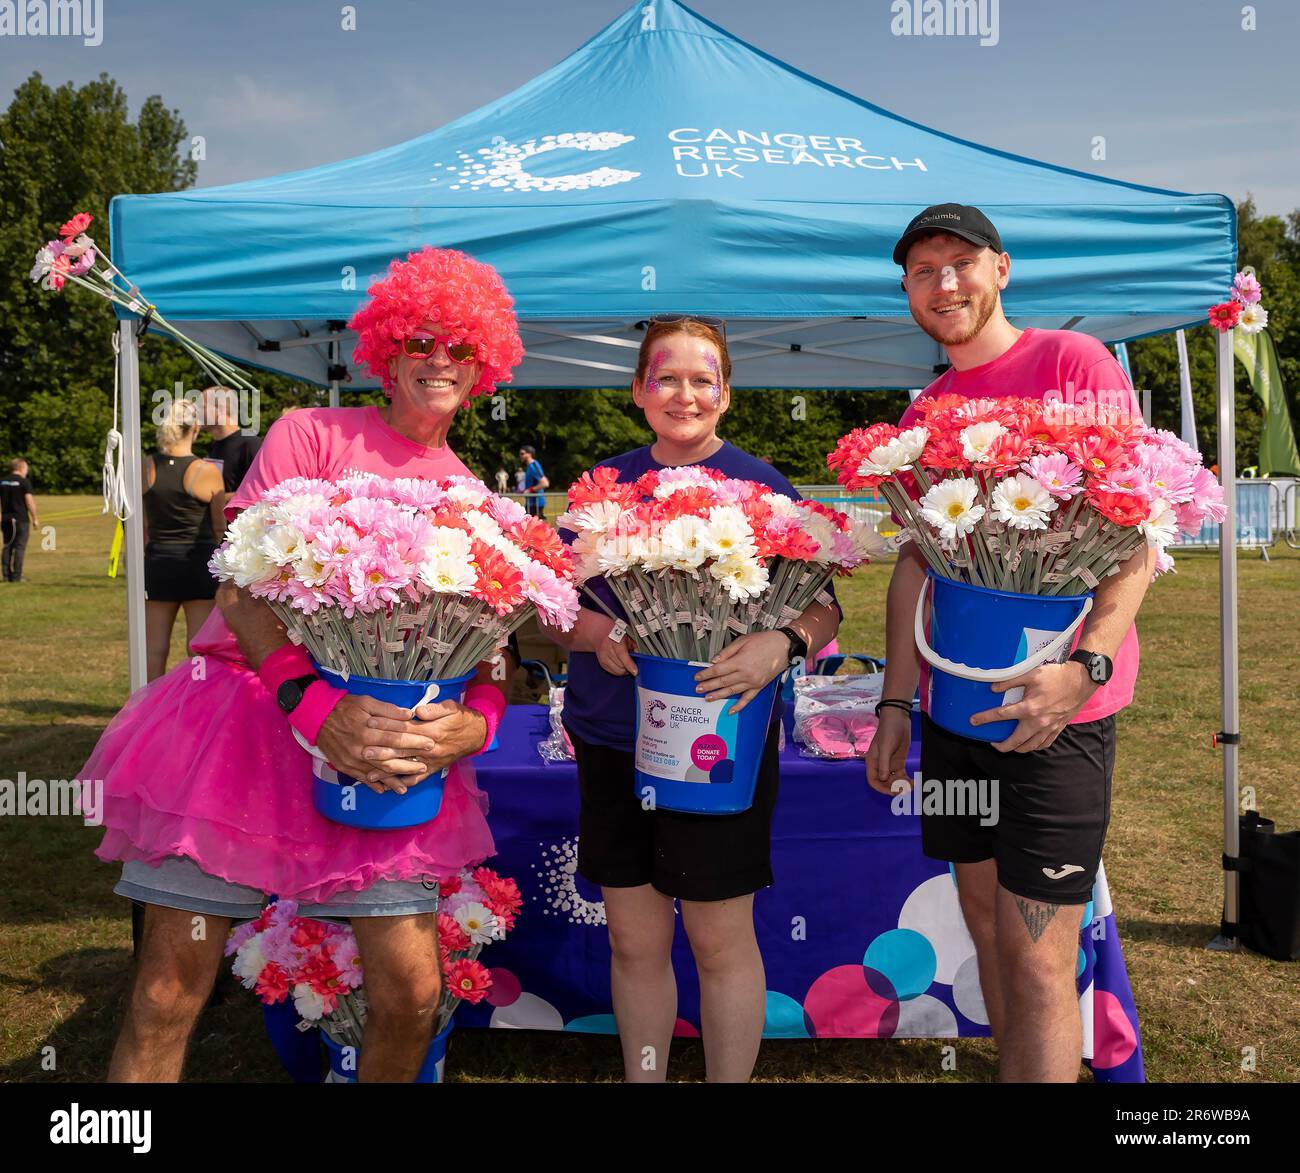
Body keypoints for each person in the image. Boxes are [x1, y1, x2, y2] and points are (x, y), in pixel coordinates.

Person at [80, 247, 523, 1082]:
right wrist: (312, 706)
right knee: (170, 991)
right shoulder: (311, 434)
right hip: (240, 731)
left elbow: (493, 658)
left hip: (388, 766)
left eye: (461, 346)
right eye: (421, 338)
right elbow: (242, 590)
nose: (440, 359)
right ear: (384, 349)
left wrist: (476, 723)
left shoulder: (474, 494)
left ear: (484, 364)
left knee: (411, 995)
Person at [865, 204, 1153, 1083]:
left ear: (1001, 268)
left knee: (1037, 955)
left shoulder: (1075, 364)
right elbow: (918, 564)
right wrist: (891, 703)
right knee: (986, 921)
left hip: (1055, 716)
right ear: (907, 290)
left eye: (960, 263)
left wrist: (1085, 665)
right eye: (922, 270)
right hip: (955, 711)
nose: (943, 283)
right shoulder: (928, 409)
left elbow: (1136, 540)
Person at [539, 317, 840, 1083]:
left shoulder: (761, 487)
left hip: (722, 748)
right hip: (614, 741)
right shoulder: (602, 490)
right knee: (635, 941)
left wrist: (786, 642)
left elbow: (824, 605)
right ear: (640, 392)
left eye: (702, 379)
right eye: (665, 377)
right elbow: (546, 611)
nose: (684, 393)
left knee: (719, 937)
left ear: (726, 393)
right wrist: (596, 633)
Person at [142, 400, 226, 681]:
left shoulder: (145, 466)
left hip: (159, 563)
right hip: (196, 565)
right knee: (197, 650)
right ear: (196, 429)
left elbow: (143, 525)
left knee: (153, 649)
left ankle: (145, 710)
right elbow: (219, 528)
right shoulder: (206, 471)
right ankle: (196, 706)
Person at [199, 384, 263, 523]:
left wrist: (216, 498)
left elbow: (261, 493)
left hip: (239, 536)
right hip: (217, 535)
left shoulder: (250, 444)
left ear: (219, 409)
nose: (196, 413)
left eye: (202, 407)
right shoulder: (214, 446)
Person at [1, 457, 38, 583]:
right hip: (20, 519)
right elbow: (29, 501)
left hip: (5, 519)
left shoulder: (2, 481)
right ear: (21, 468)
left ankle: (6, 576)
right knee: (20, 547)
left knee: (7, 546)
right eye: (26, 468)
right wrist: (35, 518)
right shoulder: (24, 482)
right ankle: (17, 576)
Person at [519, 444, 549, 517]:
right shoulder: (529, 466)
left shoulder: (534, 465)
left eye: (522, 453)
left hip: (536, 503)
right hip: (530, 503)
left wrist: (530, 490)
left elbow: (545, 483)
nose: (520, 455)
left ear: (529, 454)